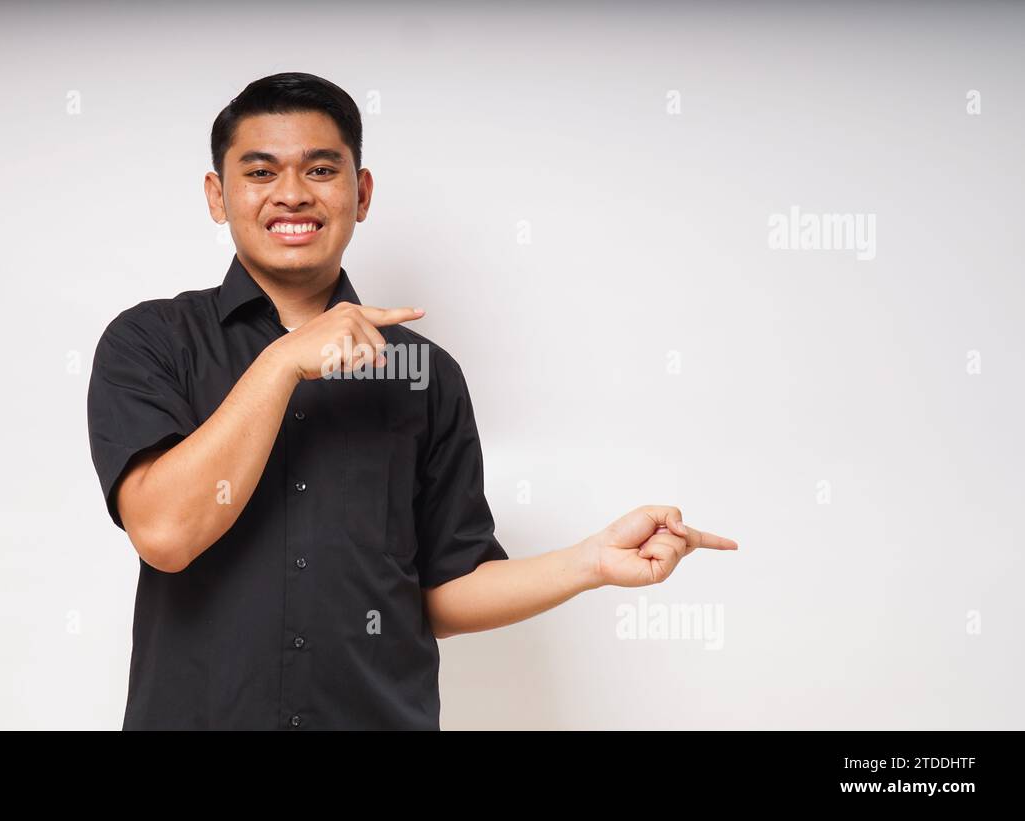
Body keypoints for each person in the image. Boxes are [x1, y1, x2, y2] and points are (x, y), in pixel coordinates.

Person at [86, 72, 738, 730]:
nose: (291, 194)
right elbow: (165, 533)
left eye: (320, 169)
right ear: (216, 195)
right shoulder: (150, 344)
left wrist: (590, 561)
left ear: (360, 193)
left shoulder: (426, 376)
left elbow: (444, 591)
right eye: (260, 172)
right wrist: (284, 359)